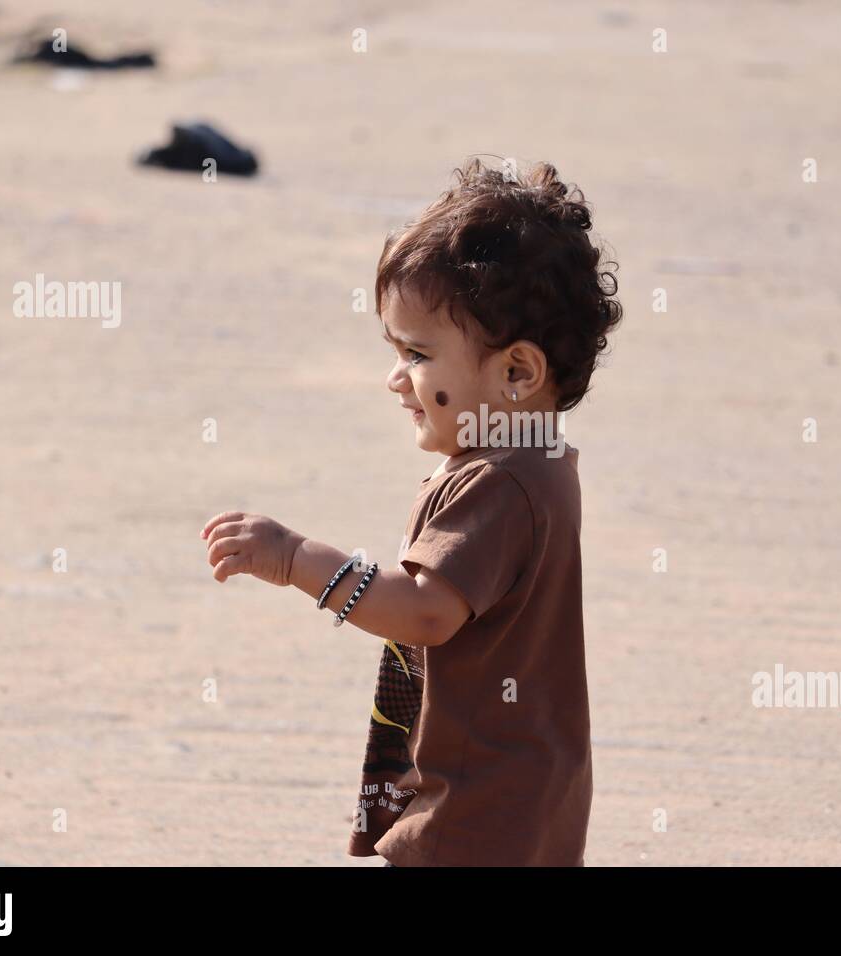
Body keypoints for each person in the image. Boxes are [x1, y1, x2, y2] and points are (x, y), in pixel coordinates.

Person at [200, 157, 622, 866]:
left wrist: (295, 558)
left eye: (419, 355)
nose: (396, 379)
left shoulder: (501, 482)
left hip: (478, 803)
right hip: (517, 793)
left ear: (517, 372)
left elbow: (426, 611)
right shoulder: (533, 462)